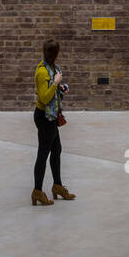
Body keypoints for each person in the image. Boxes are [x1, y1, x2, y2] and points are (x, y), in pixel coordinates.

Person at [31, 39, 75, 205]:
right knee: (43, 154)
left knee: (56, 151)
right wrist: (55, 82)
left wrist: (61, 89)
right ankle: (37, 191)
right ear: (55, 54)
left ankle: (57, 186)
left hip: (51, 117)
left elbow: (53, 94)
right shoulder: (42, 71)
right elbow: (43, 97)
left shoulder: (53, 68)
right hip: (44, 117)